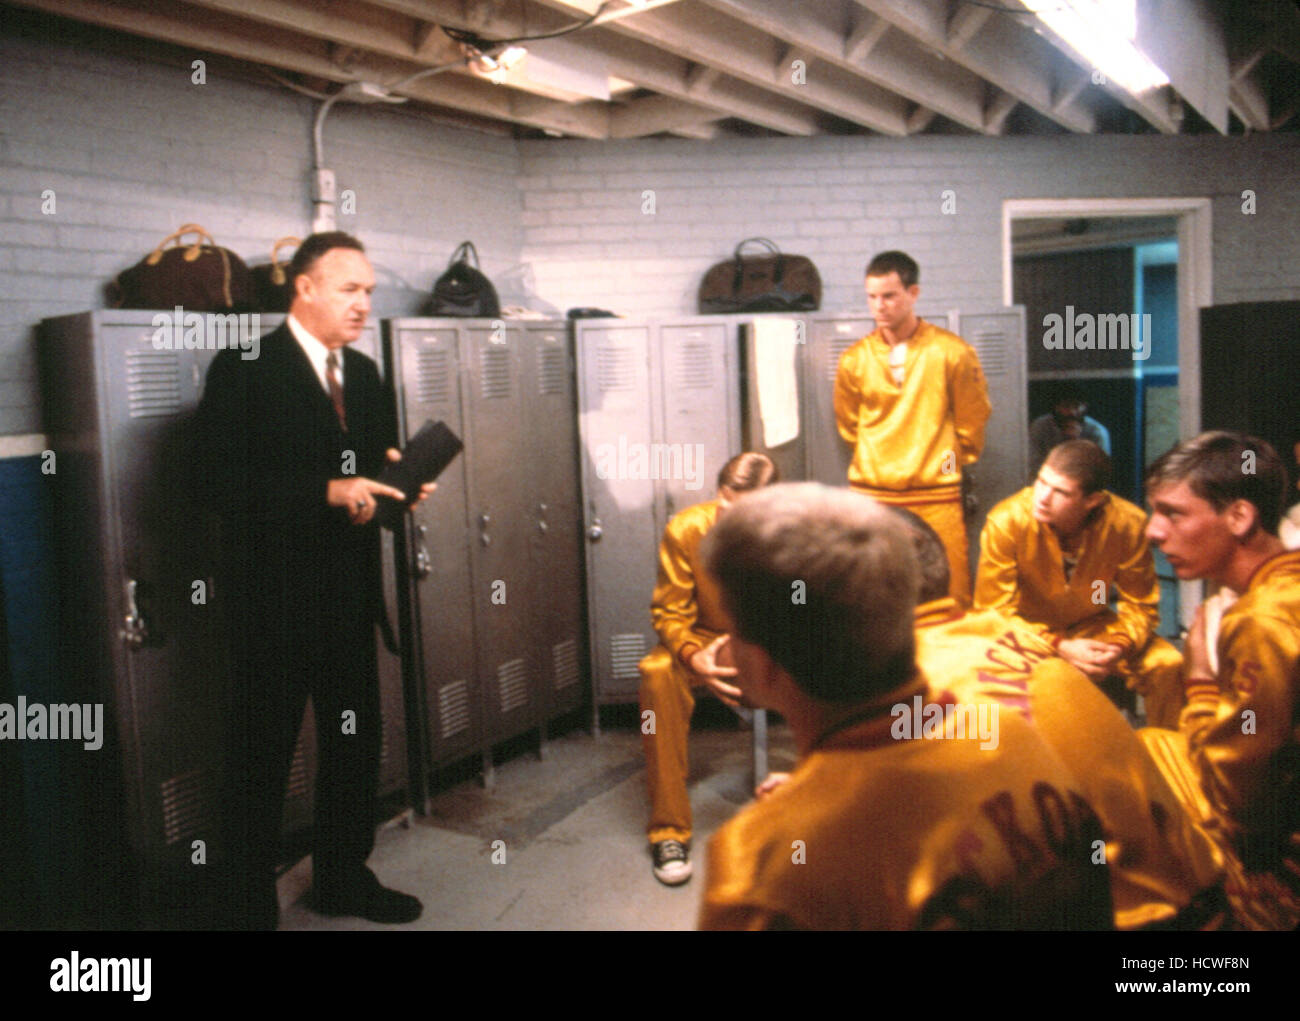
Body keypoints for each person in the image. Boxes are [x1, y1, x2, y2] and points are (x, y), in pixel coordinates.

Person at [697, 483, 1113, 930]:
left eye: (732, 626)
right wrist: (813, 794)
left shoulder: (759, 866)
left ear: (761, 667)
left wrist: (808, 810)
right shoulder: (1012, 735)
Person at [197, 231, 433, 928]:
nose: (364, 304)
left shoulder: (361, 375)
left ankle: (342, 876)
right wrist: (327, 491)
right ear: (305, 288)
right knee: (260, 754)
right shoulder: (246, 367)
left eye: (369, 291)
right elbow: (216, 481)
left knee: (353, 742)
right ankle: (242, 905)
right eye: (349, 289)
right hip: (271, 603)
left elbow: (370, 467)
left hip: (347, 597)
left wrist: (393, 489)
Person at [896, 508, 1226, 930]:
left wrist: (1120, 643)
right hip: (1193, 882)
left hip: (1133, 921)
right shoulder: (990, 624)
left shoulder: (906, 694)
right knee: (1157, 742)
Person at [1140, 431, 1300, 930]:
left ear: (1239, 517)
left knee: (1135, 765)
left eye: (1173, 513)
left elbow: (1237, 791)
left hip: (1278, 857)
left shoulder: (1259, 621)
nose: (1152, 531)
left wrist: (1201, 686)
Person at [638, 452, 778, 886]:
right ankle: (668, 831)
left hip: (766, 641)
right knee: (657, 671)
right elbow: (668, 613)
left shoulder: (794, 535)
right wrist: (691, 655)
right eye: (725, 504)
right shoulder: (686, 529)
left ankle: (819, 817)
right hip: (701, 639)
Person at [974, 439, 1184, 727]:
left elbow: (1141, 605)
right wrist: (1058, 646)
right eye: (1041, 482)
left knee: (1167, 663)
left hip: (1096, 627)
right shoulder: (1007, 521)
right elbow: (992, 613)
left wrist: (1118, 647)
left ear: (1092, 500)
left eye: (1060, 491)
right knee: (989, 672)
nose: (1043, 497)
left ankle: (1166, 752)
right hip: (1028, 631)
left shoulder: (1127, 523)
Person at [834, 250, 991, 604]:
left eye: (889, 295)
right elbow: (849, 426)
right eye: (872, 297)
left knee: (950, 595)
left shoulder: (952, 352)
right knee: (869, 595)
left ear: (914, 293)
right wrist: (879, 461)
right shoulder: (854, 359)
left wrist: (943, 465)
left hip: (936, 495)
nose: (880, 306)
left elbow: (972, 420)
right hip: (873, 496)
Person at [1028, 389, 1111, 480]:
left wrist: (1076, 443)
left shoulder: (1097, 432)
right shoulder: (1041, 427)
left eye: (1076, 406)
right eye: (1066, 406)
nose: (1072, 412)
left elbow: (1101, 471)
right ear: (1056, 407)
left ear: (1085, 407)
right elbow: (1033, 466)